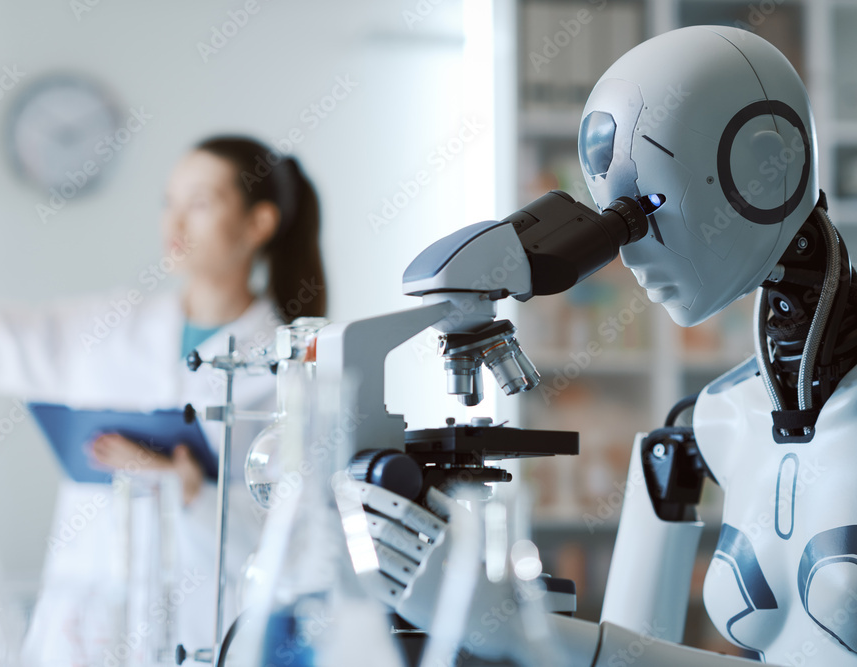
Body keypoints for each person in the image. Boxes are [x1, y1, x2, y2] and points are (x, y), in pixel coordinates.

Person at [355, 25, 857, 667]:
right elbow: (626, 654)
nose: (630, 253)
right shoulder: (716, 419)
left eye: (645, 209)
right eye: (609, 216)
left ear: (765, 168)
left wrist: (519, 631)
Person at [0, 127, 326, 660]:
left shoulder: (296, 362)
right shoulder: (110, 329)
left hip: (207, 627)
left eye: (199, 203)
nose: (173, 222)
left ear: (258, 222)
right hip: (81, 624)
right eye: (167, 202)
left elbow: (308, 544)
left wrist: (191, 490)